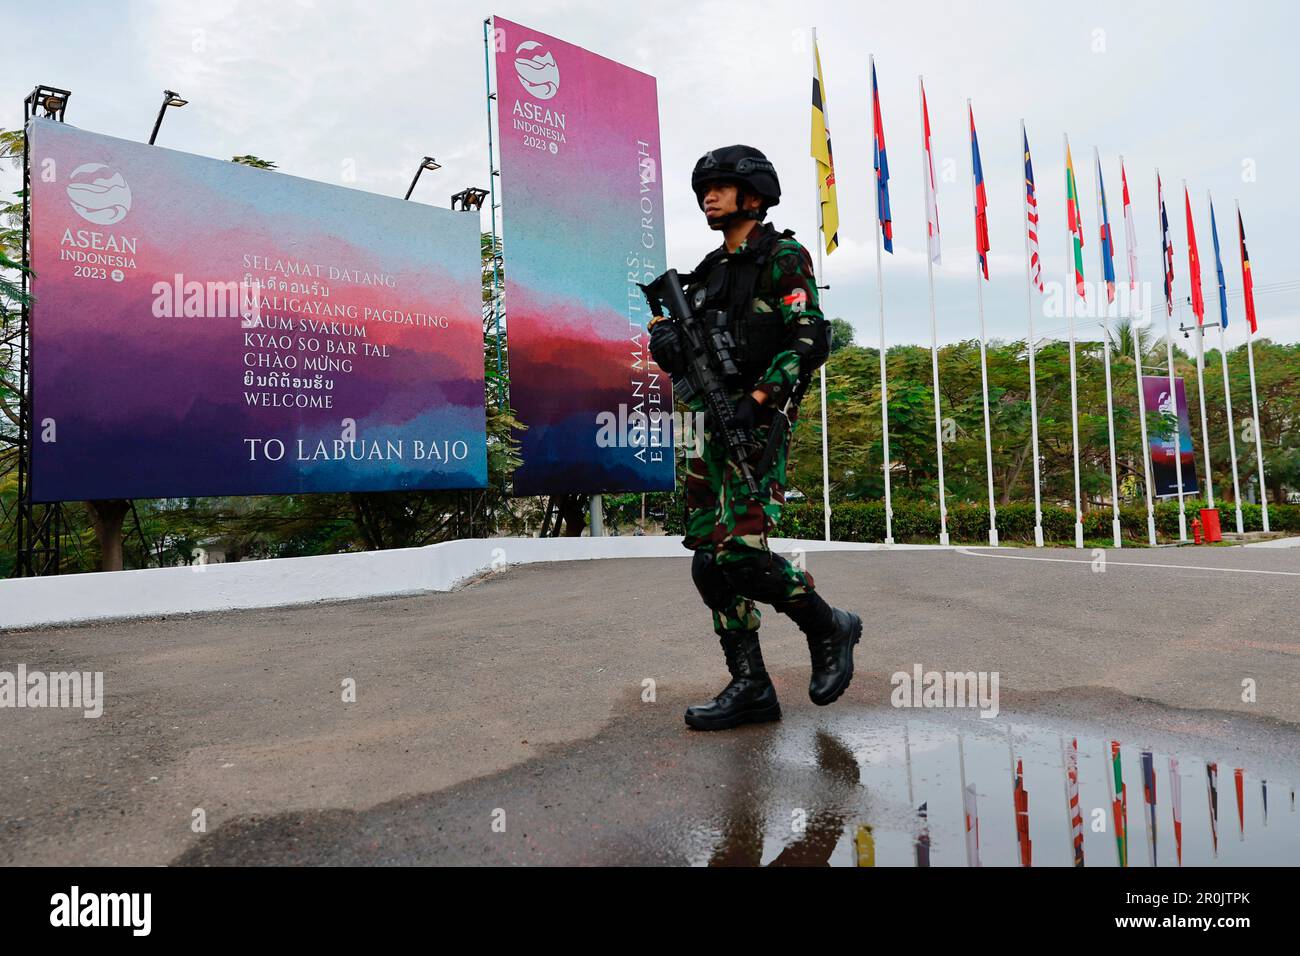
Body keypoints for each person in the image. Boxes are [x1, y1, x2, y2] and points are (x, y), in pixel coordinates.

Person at [647, 144, 862, 731]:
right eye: (702, 191)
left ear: (755, 196)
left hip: (757, 422)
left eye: (718, 187)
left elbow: (808, 339)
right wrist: (664, 342)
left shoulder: (783, 255)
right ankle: (752, 686)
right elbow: (677, 338)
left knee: (741, 553)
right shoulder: (709, 272)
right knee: (710, 563)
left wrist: (760, 399)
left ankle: (828, 626)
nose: (707, 198)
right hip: (708, 424)